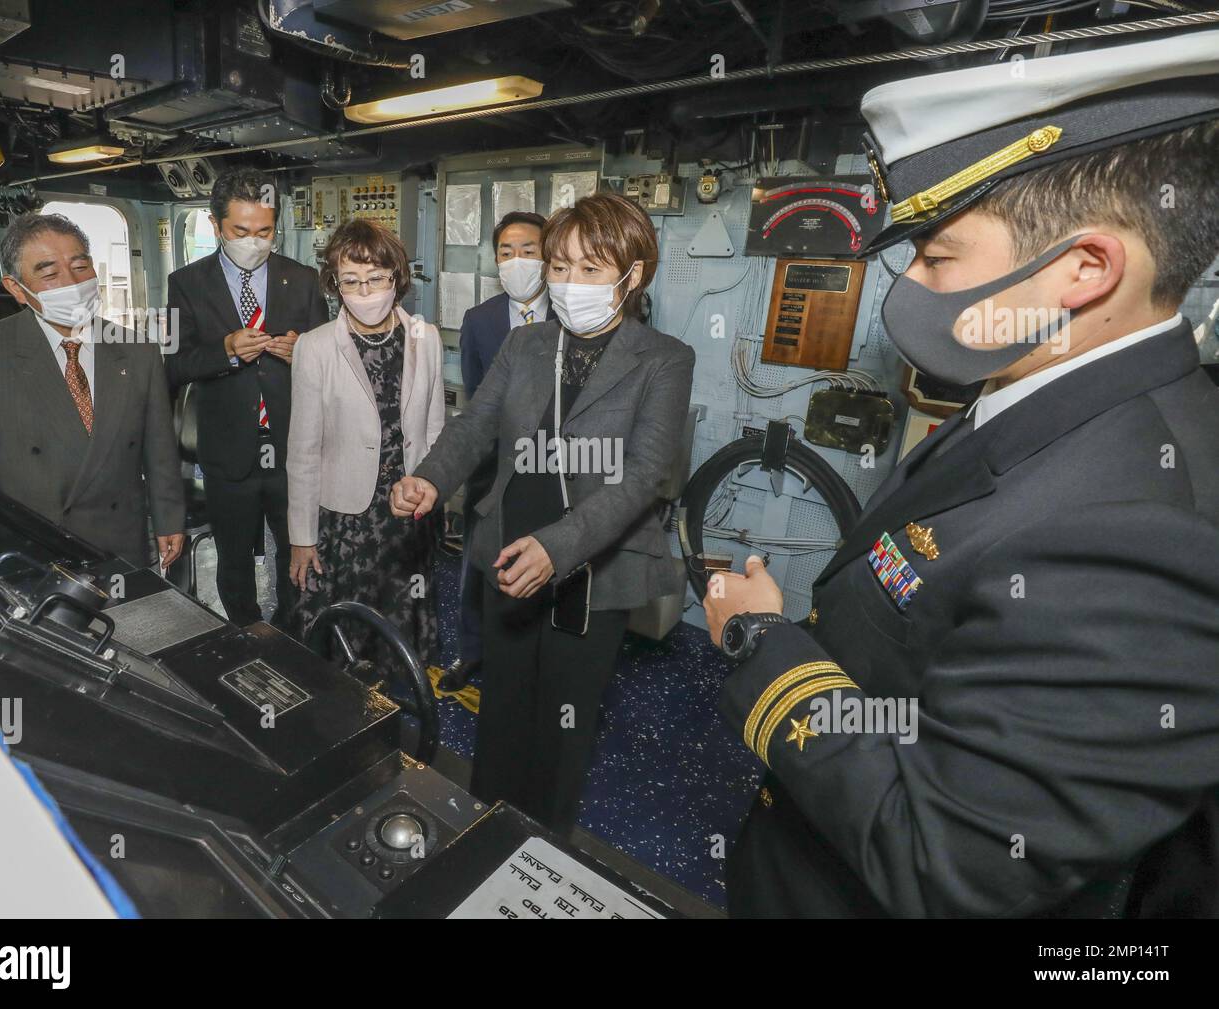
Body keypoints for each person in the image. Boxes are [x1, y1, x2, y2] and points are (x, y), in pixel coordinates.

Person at [705, 31, 1219, 917]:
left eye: (940, 258)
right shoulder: (1042, 393)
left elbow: (945, 861)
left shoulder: (1147, 525)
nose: (915, 284)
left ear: (1085, 269)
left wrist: (764, 644)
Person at [391, 192, 695, 835]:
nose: (568, 283)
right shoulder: (526, 345)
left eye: (590, 269)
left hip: (592, 565)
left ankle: (542, 848)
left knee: (564, 719)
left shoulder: (664, 360)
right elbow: (475, 426)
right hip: (509, 549)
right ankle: (489, 828)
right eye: (559, 266)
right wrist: (430, 478)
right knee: (503, 706)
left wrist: (558, 548)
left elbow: (643, 475)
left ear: (632, 275)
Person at [0, 212, 184, 568]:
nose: (71, 282)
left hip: (120, 538)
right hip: (31, 546)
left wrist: (168, 519)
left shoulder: (138, 350)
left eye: (80, 266)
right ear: (16, 289)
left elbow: (159, 449)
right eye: (49, 272)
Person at [164, 167, 328, 630]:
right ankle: (245, 631)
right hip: (228, 452)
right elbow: (174, 367)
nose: (254, 241)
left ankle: (295, 636)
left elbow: (333, 368)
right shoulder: (186, 283)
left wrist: (306, 355)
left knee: (299, 553)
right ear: (216, 226)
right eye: (241, 231)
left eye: (264, 231)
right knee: (234, 558)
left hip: (293, 450)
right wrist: (225, 352)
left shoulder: (303, 279)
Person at [288, 219, 444, 668]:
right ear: (334, 284)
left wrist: (434, 498)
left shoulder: (425, 338)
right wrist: (302, 537)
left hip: (407, 509)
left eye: (376, 278)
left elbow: (433, 432)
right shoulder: (315, 348)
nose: (366, 290)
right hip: (345, 519)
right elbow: (302, 451)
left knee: (401, 633)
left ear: (396, 277)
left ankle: (396, 715)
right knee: (347, 640)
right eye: (351, 281)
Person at [445, 210, 558, 690]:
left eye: (528, 252)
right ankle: (473, 653)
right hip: (491, 467)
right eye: (506, 253)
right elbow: (476, 398)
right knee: (479, 561)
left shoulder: (573, 313)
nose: (517, 262)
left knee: (546, 564)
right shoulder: (480, 320)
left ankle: (535, 660)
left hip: (555, 467)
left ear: (548, 256)